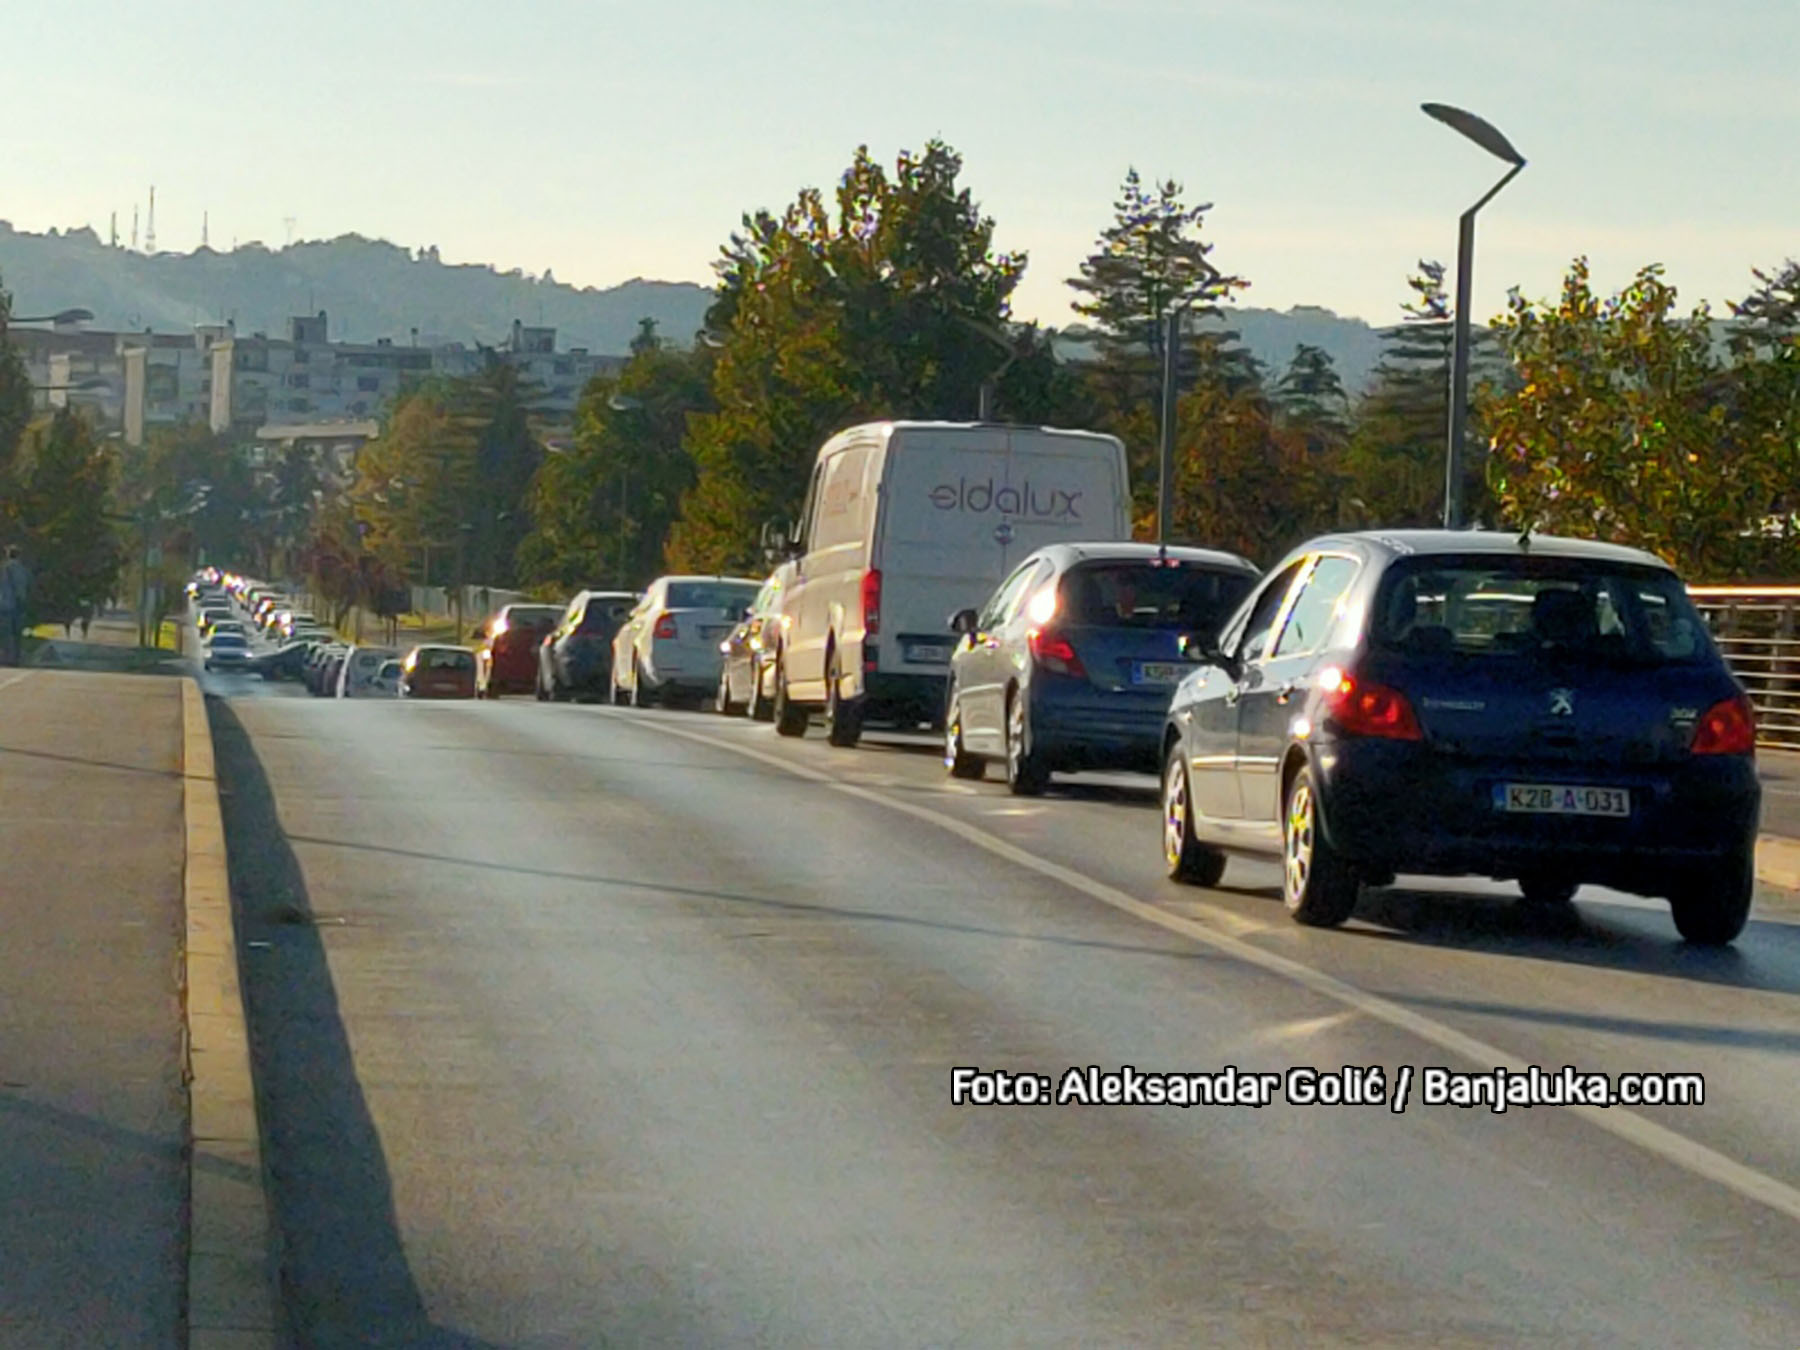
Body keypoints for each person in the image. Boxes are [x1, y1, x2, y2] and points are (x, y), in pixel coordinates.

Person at [0, 546, 30, 666]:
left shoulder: (4, 568)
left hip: (4, 604)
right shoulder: (21, 569)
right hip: (15, 604)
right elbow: (21, 588)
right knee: (16, 632)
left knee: (6, 632)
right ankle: (15, 657)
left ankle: (7, 656)